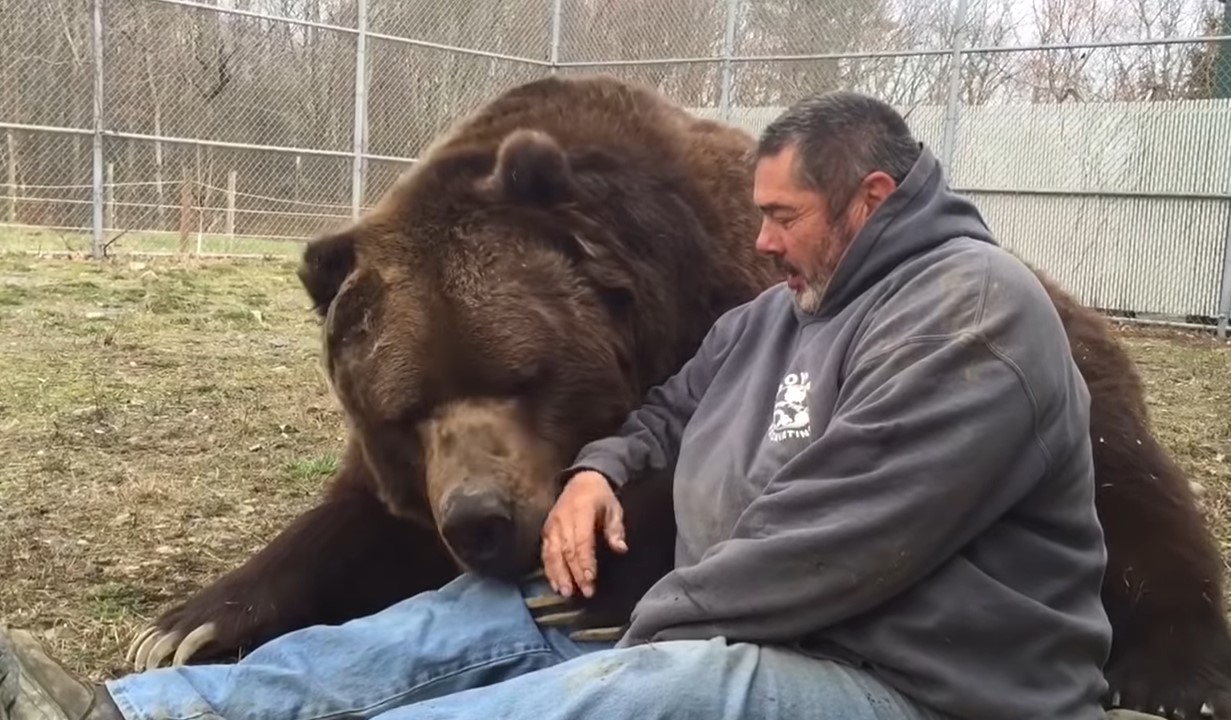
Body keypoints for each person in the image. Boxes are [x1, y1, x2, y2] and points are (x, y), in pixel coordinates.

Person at [1, 90, 1114, 720]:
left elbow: (839, 552)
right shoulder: (794, 308)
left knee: (624, 689)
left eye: (780, 215)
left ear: (871, 200)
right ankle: (135, 717)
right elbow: (671, 406)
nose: (757, 234)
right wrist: (593, 473)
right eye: (755, 213)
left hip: (914, 683)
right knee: (476, 620)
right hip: (765, 618)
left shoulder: (972, 322)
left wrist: (637, 622)